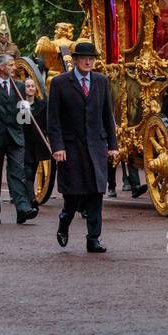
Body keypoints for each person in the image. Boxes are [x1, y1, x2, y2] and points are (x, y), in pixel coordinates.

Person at [46, 41, 118, 253]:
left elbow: (108, 115)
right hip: (71, 147)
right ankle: (64, 221)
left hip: (96, 146)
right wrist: (57, 146)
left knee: (96, 193)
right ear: (75, 60)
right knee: (74, 195)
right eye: (84, 58)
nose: (88, 61)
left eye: (92, 58)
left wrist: (112, 145)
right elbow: (54, 120)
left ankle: (93, 238)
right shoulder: (60, 83)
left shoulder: (101, 81)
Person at [0, 54, 36, 226]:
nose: (13, 67)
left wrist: (26, 110)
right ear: (1, 67)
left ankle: (22, 209)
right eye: (10, 65)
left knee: (18, 172)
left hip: (15, 135)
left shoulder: (18, 86)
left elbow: (23, 118)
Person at [21, 77, 50, 205]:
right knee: (27, 170)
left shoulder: (42, 105)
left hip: (38, 143)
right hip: (25, 143)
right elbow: (22, 123)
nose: (30, 88)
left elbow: (47, 124)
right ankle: (31, 198)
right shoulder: (20, 105)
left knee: (32, 170)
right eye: (28, 86)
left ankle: (27, 194)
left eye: (32, 86)